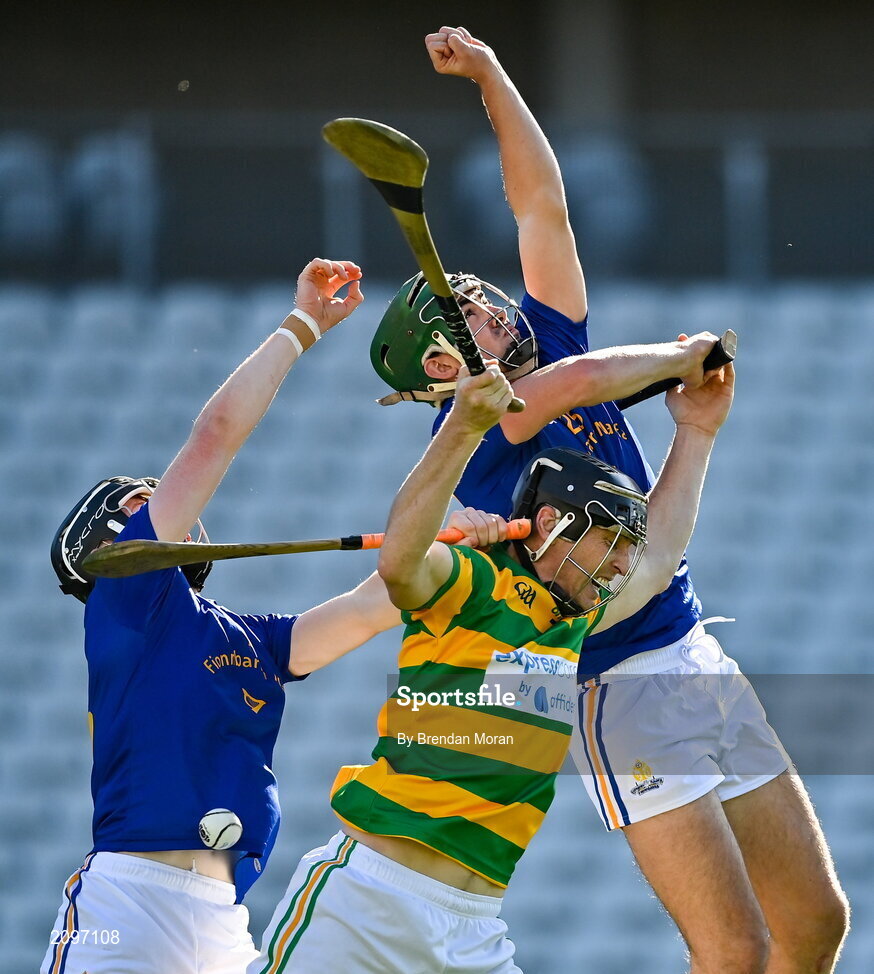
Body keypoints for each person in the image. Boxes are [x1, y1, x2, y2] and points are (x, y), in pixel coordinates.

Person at [369, 26, 850, 974]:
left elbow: (540, 207)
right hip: (620, 688)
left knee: (818, 924)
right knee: (738, 953)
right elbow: (571, 386)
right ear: (438, 367)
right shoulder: (475, 433)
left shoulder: (539, 343)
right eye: (466, 311)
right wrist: (676, 358)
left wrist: (494, 76)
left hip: (689, 642)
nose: (496, 305)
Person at [248, 352, 734, 974]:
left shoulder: (574, 624)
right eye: (611, 541)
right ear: (554, 521)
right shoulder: (469, 578)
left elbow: (660, 558)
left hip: (475, 929)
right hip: (368, 903)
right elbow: (400, 563)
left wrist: (697, 431)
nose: (619, 565)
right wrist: (463, 428)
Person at [44, 259, 402, 974]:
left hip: (222, 924)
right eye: (136, 505)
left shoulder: (247, 639)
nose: (161, 502)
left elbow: (378, 602)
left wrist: (469, 544)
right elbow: (214, 436)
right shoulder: (125, 601)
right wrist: (300, 328)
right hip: (125, 906)